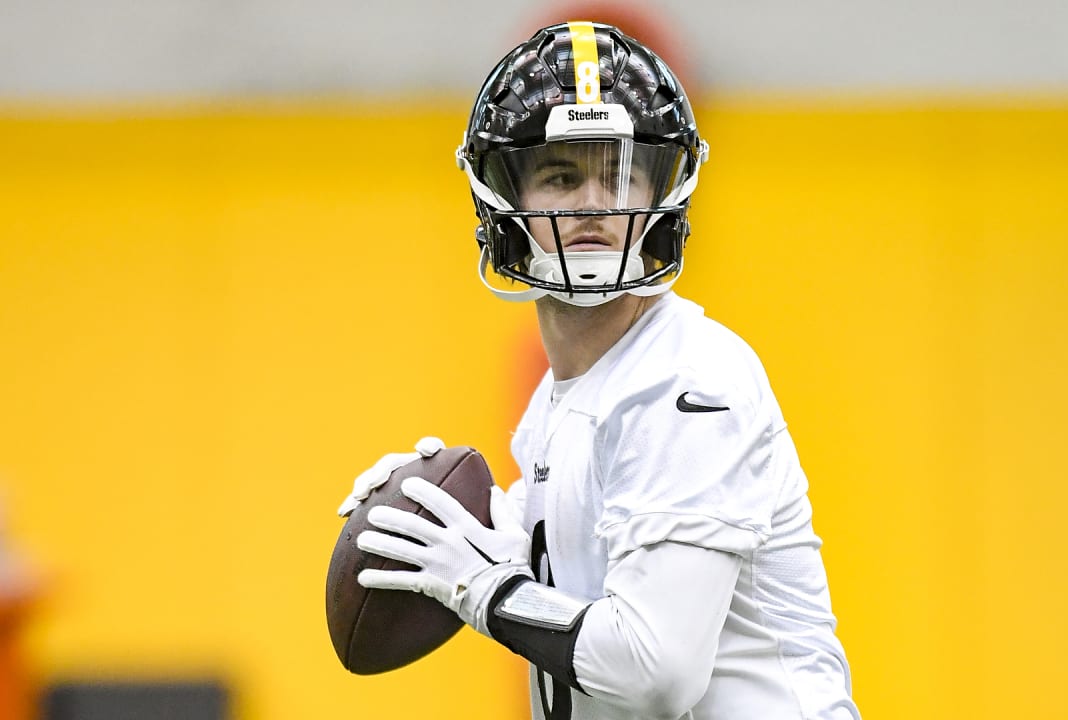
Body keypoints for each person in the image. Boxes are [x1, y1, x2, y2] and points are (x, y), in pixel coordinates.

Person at [337, 21, 861, 720]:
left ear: (659, 198)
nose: (593, 203)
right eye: (561, 175)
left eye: (617, 173)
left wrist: (480, 587)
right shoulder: (563, 407)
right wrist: (428, 514)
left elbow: (656, 668)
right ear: (503, 197)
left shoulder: (686, 380)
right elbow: (552, 564)